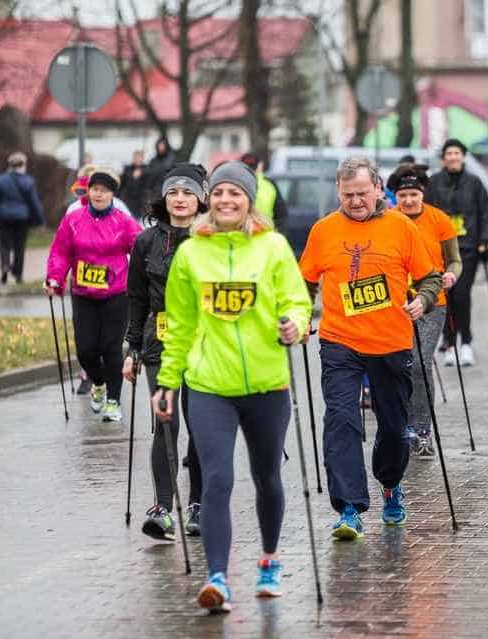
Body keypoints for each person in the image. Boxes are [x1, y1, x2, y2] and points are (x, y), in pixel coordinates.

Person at [152, 161, 312, 611]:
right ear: (209, 199)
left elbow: (297, 302)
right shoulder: (190, 254)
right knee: (217, 478)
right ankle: (218, 578)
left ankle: (269, 560)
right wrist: (167, 381)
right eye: (218, 193)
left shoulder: (274, 247)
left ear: (249, 200)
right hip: (208, 385)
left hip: (266, 384)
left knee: (267, 479)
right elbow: (180, 326)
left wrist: (294, 326)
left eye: (235, 194)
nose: (225, 201)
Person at [299, 156, 442, 540]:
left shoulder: (401, 227)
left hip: (390, 342)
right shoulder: (324, 230)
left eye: (362, 193)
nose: (356, 201)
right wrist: (298, 314)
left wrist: (423, 301)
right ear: (338, 192)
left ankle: (391, 485)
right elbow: (304, 280)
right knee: (342, 420)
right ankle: (349, 507)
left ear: (379, 189)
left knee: (395, 428)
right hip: (339, 341)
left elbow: (429, 277)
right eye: (348, 195)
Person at [124, 163, 207, 541]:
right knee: (166, 421)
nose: (180, 199)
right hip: (160, 342)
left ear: (201, 198)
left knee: (203, 425)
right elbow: (137, 299)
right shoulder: (145, 242)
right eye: (173, 192)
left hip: (206, 344)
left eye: (188, 192)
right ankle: (161, 507)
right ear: (164, 198)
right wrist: (132, 349)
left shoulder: (211, 238)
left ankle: (199, 505)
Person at [45, 169, 142, 422]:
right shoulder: (74, 219)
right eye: (95, 189)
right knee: (86, 350)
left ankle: (113, 401)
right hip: (83, 293)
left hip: (116, 294)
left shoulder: (123, 221)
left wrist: (148, 278)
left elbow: (141, 249)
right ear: (88, 192)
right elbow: (60, 251)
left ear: (112, 194)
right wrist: (55, 278)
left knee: (111, 349)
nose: (99, 194)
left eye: (105, 190)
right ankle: (98, 383)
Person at [386, 163, 462, 457]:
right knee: (398, 365)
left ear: (422, 193)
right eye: (403, 195)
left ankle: (422, 430)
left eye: (413, 194)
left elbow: (454, 259)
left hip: (433, 304)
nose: (408, 201)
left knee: (419, 363)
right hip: (395, 305)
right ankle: (399, 426)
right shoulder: (388, 220)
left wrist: (451, 275)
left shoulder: (439, 220)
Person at [426, 138, 488, 367]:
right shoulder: (433, 182)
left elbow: (484, 211)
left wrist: (484, 240)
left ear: (463, 156)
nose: (453, 157)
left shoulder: (474, 183)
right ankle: (449, 342)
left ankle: (466, 342)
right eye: (449, 153)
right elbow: (427, 213)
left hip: (467, 248)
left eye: (457, 153)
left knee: (462, 295)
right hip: (440, 250)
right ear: (443, 158)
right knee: (446, 297)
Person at [0, 152, 44, 284]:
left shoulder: (1, 180)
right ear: (23, 165)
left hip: (4, 217)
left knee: (4, 244)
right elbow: (34, 202)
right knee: (19, 246)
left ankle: (5, 267)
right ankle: (18, 274)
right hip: (22, 218)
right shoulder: (28, 181)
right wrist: (40, 221)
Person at [239, 152, 289, 235]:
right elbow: (282, 215)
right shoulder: (269, 184)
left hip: (240, 236)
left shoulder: (234, 184)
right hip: (266, 236)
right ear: (260, 165)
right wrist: (279, 235)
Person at [120, 150, 149, 219]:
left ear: (142, 159)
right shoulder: (128, 169)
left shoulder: (146, 169)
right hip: (129, 199)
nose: (137, 159)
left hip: (141, 201)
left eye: (139, 157)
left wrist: (142, 172)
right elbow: (123, 184)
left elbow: (150, 176)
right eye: (136, 157)